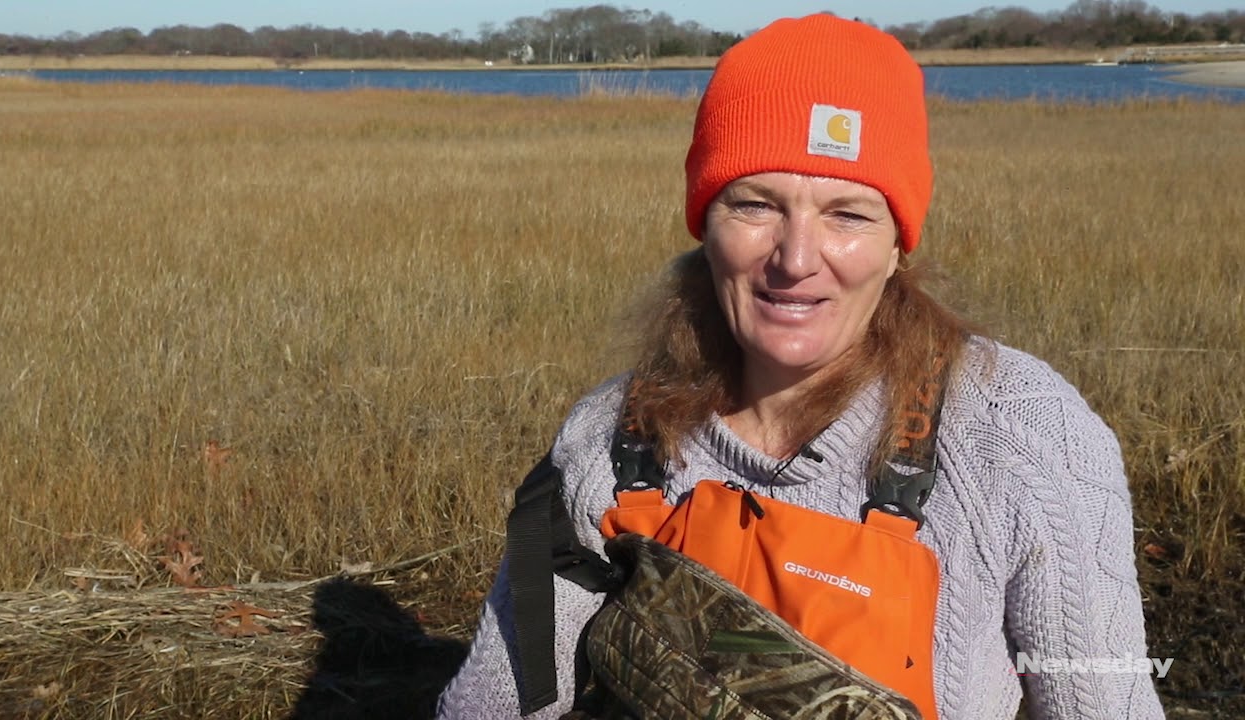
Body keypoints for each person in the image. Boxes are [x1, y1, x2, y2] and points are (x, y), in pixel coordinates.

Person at [436, 13, 1164, 720]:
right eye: (754, 205)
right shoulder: (607, 437)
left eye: (847, 214)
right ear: (704, 224)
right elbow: (495, 701)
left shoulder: (1022, 431)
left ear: (897, 247)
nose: (794, 258)